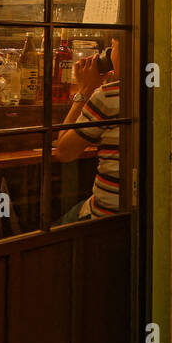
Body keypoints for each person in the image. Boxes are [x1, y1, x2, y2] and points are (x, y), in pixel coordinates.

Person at [54, 38, 121, 222]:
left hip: (104, 216)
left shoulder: (109, 95)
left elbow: (64, 151)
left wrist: (85, 89)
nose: (108, 53)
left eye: (113, 47)